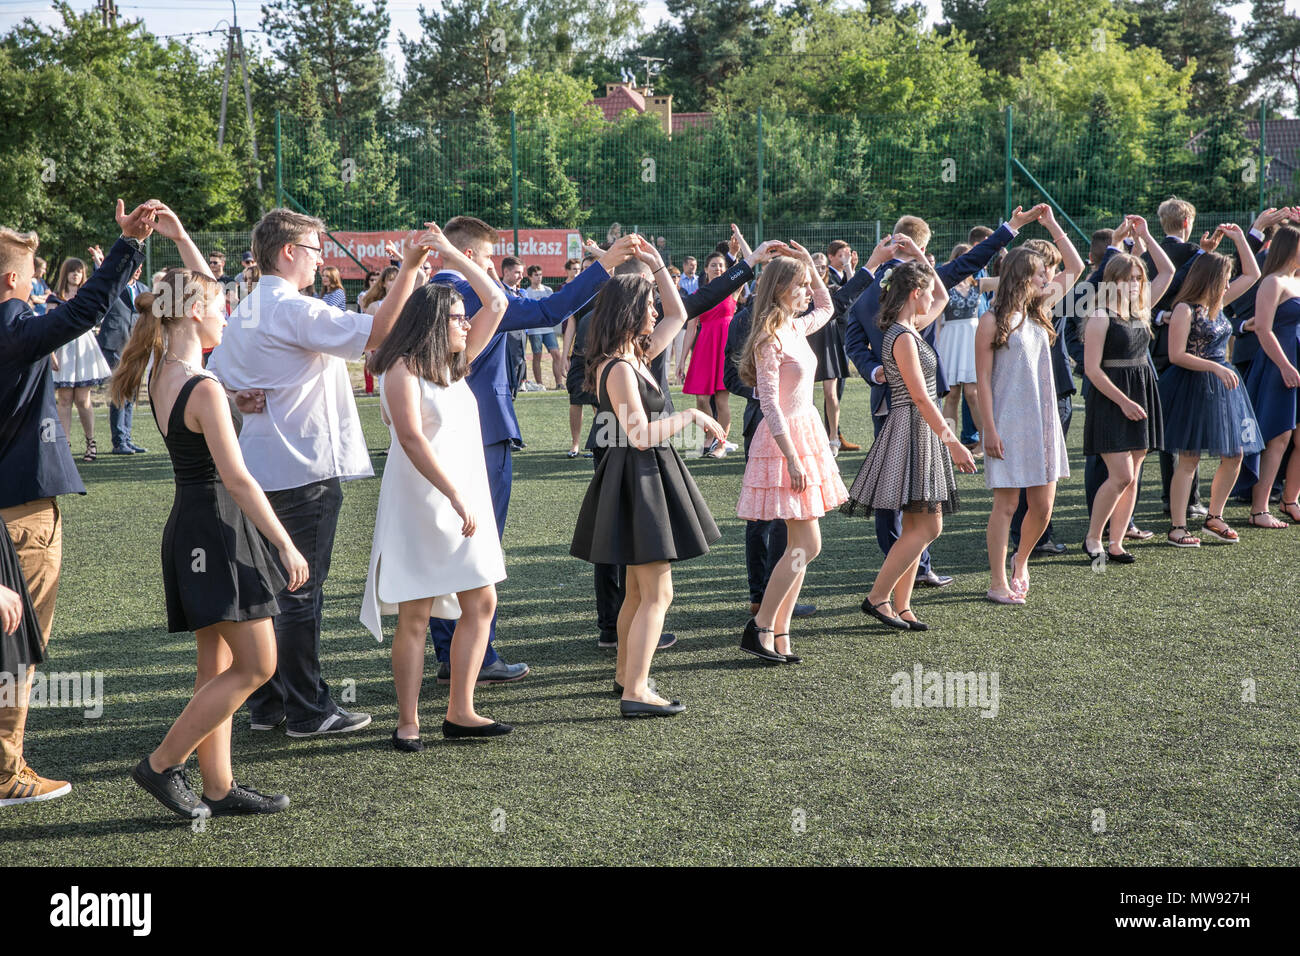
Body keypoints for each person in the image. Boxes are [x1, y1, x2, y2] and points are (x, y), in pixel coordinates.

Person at [207, 207, 429, 737]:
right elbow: (377, 332)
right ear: (288, 253)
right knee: (300, 593)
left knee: (268, 591)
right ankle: (308, 709)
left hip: (260, 468)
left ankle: (268, 705)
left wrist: (238, 397)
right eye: (313, 249)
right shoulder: (288, 305)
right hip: (302, 470)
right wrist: (409, 271)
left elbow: (215, 380)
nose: (319, 259)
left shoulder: (249, 308)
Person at [115, 227, 308, 817]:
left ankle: (219, 788)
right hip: (218, 530)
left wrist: (176, 235)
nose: (226, 313)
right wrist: (284, 543)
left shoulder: (162, 372)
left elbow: (193, 287)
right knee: (258, 664)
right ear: (195, 311)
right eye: (219, 305)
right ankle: (160, 764)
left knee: (216, 666)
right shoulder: (203, 386)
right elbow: (239, 478)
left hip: (190, 528)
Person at [426, 217, 635, 684]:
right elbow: (549, 312)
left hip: (447, 432)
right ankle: (477, 656)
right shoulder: (471, 292)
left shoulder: (432, 291)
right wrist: (606, 265)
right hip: (479, 433)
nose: (495, 272)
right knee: (478, 546)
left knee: (449, 545)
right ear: (473, 257)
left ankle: (450, 652)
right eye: (489, 261)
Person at [0, 198, 155, 806]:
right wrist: (128, 245)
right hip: (20, 519)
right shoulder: (12, 330)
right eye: (33, 274)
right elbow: (86, 309)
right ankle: (7, 772)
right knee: (16, 657)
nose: (40, 283)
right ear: (14, 278)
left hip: (17, 513)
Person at [362, 224, 513, 747]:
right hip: (423, 502)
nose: (466, 323)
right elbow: (409, 437)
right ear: (432, 321)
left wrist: (450, 253)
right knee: (417, 614)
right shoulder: (400, 369)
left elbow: (495, 299)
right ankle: (408, 722)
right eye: (455, 317)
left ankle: (461, 711)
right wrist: (451, 493)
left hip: (464, 501)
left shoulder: (455, 365)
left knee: (482, 602)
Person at [844, 205, 1039, 589]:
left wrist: (872, 368)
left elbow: (960, 273)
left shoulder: (897, 286)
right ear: (922, 245)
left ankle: (914, 568)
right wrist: (874, 369)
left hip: (918, 402)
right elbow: (970, 261)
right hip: (900, 402)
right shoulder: (875, 288)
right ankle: (899, 573)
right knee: (895, 488)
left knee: (915, 491)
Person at [570, 242, 724, 717]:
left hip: (644, 476)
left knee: (638, 592)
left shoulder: (638, 353)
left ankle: (625, 677)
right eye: (648, 304)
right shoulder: (618, 367)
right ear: (630, 312)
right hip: (637, 475)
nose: (656, 310)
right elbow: (637, 435)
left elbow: (678, 312)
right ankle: (637, 689)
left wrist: (657, 263)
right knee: (659, 592)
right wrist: (694, 419)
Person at [842, 260, 976, 629]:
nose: (933, 295)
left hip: (919, 430)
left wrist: (918, 254)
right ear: (914, 292)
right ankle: (877, 598)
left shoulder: (909, 328)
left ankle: (902, 605)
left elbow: (943, 295)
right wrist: (953, 443)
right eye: (926, 289)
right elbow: (920, 396)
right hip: (912, 428)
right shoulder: (902, 336)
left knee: (919, 524)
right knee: (928, 527)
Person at [735, 242, 848, 663]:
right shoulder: (769, 337)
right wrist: (793, 458)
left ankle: (778, 631)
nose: (806, 291)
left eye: (805, 285)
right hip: (784, 442)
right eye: (798, 285)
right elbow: (769, 404)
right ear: (780, 289)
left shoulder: (797, 326)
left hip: (805, 433)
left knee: (803, 545)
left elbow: (827, 306)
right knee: (807, 544)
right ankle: (762, 625)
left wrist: (807, 262)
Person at [975, 214, 1084, 604]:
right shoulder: (991, 320)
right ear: (1022, 276)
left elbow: (1076, 266)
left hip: (1044, 421)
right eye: (1039, 273)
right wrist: (988, 428)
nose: (1046, 279)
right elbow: (982, 381)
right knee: (1006, 505)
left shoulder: (1042, 310)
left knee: (1043, 505)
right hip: (1006, 421)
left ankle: (1021, 561)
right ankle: (996, 582)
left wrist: (1053, 223)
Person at [1158, 225, 1263, 546]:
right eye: (1224, 277)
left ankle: (1214, 517)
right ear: (1211, 278)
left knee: (1235, 453)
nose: (1229, 283)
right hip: (1193, 384)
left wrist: (1241, 238)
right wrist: (1214, 367)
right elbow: (1177, 355)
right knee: (1189, 458)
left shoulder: (1219, 302)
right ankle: (1178, 526)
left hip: (1222, 386)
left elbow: (1253, 274)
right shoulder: (1183, 309)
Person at [1082, 216, 1176, 564]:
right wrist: (1123, 402)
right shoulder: (1100, 315)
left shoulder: (1142, 309)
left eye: (1138, 279)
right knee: (1120, 475)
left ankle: (1117, 543)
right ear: (1113, 281)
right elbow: (1092, 370)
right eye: (1128, 279)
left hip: (1142, 391)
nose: (1135, 284)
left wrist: (1148, 236)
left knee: (1133, 476)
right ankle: (1093, 539)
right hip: (1111, 397)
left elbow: (1167, 273)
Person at [1144, 197, 1210, 518]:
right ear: (1187, 223)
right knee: (1185, 422)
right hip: (1186, 345)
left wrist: (1158, 318)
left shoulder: (1146, 255)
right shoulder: (1198, 257)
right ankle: (1188, 500)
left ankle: (1169, 497)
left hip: (1150, 345)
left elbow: (1142, 297)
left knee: (1160, 422)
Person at [1241, 224, 1300, 528]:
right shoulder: (1273, 282)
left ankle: (1290, 500)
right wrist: (1285, 366)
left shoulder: (1297, 280)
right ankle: (1259, 509)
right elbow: (1263, 329)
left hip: (1297, 362)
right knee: (1279, 435)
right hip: (1280, 364)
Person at [681, 234, 746, 458]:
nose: (718, 268)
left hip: (725, 347)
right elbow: (691, 327)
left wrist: (735, 253)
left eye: (721, 265)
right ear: (706, 270)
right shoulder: (699, 295)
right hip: (704, 348)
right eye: (714, 265)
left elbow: (746, 268)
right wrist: (681, 360)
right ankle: (709, 436)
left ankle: (720, 444)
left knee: (721, 398)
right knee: (700, 399)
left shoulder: (733, 290)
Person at [47, 257, 112, 463]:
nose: (76, 274)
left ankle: (91, 442)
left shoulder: (87, 295)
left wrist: (99, 263)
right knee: (64, 399)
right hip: (63, 348)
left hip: (83, 346)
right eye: (72, 271)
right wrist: (51, 354)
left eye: (79, 271)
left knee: (83, 399)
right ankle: (64, 445)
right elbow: (47, 328)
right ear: (65, 273)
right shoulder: (55, 298)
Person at [936, 242, 996, 459]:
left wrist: (1006, 256)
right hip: (950, 340)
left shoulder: (978, 284)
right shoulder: (943, 284)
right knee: (951, 394)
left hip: (972, 338)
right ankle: (948, 445)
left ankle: (983, 441)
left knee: (973, 393)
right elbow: (937, 322)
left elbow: (1009, 280)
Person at [93, 255, 150, 455]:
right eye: (135, 266)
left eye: (141, 267)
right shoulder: (114, 286)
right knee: (120, 392)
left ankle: (126, 438)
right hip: (114, 344)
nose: (138, 270)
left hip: (135, 346)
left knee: (131, 393)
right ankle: (119, 441)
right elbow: (99, 281)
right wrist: (99, 264)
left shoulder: (144, 290)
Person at [808, 242, 852, 457]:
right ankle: (810, 437)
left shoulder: (833, 289)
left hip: (828, 342)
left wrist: (849, 265)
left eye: (823, 267)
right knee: (806, 395)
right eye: (815, 266)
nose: (820, 269)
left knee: (830, 393)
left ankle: (833, 437)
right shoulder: (804, 290)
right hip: (807, 341)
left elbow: (853, 288)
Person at [562, 250, 603, 459]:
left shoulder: (607, 289)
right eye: (584, 269)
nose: (586, 272)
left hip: (601, 356)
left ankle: (597, 444)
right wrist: (564, 356)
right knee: (575, 400)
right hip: (579, 355)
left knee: (600, 402)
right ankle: (575, 444)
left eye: (590, 268)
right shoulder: (577, 291)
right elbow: (571, 324)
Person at [522, 264, 564, 388]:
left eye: (540, 275)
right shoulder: (527, 292)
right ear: (529, 277)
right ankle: (540, 384)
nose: (539, 277)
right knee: (537, 356)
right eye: (536, 275)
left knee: (556, 354)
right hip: (535, 330)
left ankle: (559, 383)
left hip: (548, 328)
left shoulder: (548, 290)